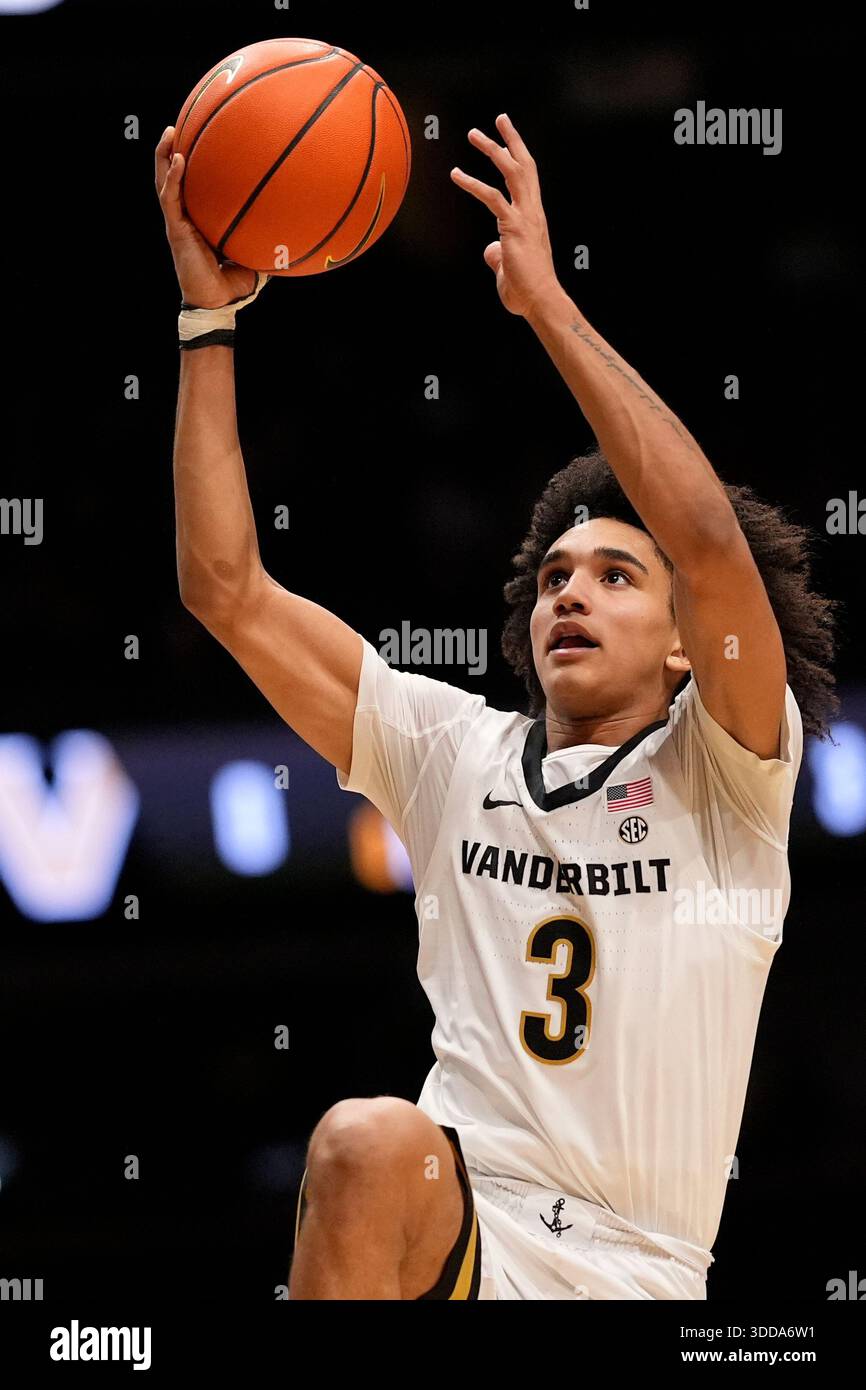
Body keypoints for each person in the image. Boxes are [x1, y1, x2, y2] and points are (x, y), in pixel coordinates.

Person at [155, 114, 837, 1299]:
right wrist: (208, 322)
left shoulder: (725, 773)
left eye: (614, 577)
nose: (569, 592)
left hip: (636, 1269)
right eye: (554, 578)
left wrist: (546, 309)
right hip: (468, 1235)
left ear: (685, 646)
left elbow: (711, 542)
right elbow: (225, 589)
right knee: (366, 1144)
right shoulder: (450, 750)